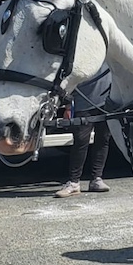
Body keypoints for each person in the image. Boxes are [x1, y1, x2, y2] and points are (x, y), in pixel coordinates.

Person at [55, 68, 113, 198]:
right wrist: (68, 105)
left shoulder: (110, 55)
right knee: (81, 141)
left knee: (103, 139)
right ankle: (74, 182)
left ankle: (97, 178)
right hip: (83, 103)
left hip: (106, 103)